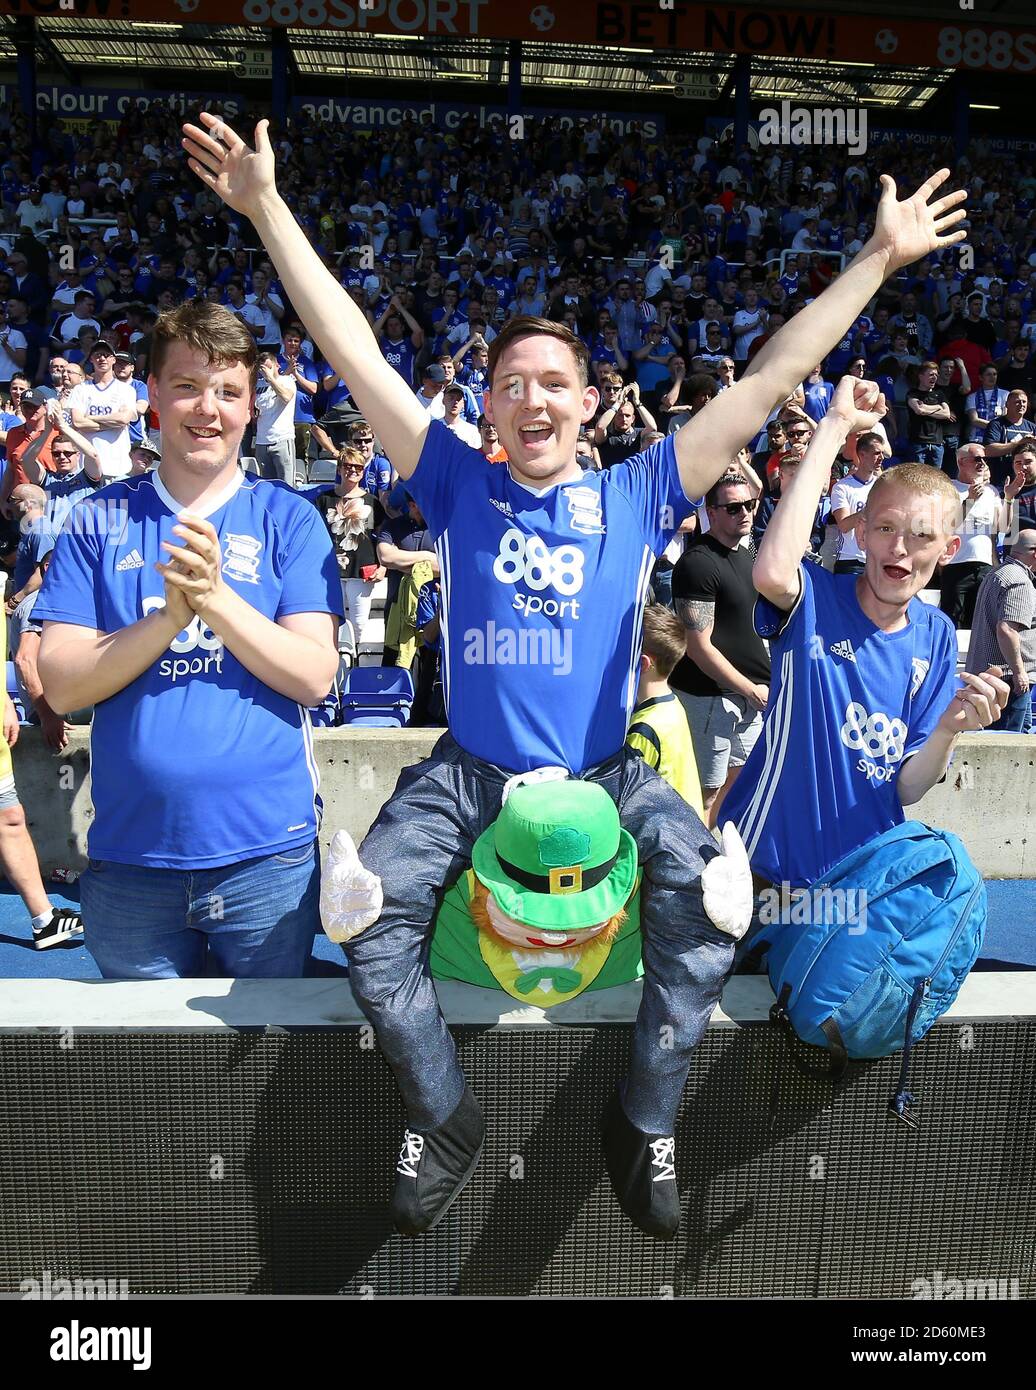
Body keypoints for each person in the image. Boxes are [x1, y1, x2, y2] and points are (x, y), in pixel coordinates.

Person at [184, 110, 968, 1236]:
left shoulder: (638, 493)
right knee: (364, 926)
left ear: (590, 401)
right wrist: (265, 205)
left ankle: (643, 1120)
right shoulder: (453, 480)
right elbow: (352, 345)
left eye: (555, 381)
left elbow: (767, 377)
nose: (535, 398)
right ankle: (443, 1113)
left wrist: (877, 260)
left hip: (609, 773)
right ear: (488, 405)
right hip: (466, 774)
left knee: (706, 911)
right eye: (511, 382)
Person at [34, 300, 343, 979]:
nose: (209, 408)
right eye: (187, 386)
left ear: (251, 405)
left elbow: (315, 675)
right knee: (151, 1077)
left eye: (229, 391)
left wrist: (214, 600)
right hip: (130, 858)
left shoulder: (289, 520)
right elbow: (61, 681)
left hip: (267, 855)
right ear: (152, 394)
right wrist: (168, 618)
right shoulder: (98, 519)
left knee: (260, 1068)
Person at [722, 377, 1009, 891]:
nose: (900, 548)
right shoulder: (815, 596)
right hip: (765, 866)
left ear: (949, 549)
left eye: (921, 536)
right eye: (885, 528)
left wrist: (949, 728)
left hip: (862, 879)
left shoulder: (938, 634)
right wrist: (834, 427)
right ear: (860, 532)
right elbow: (769, 572)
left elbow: (906, 786)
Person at [671, 473, 770, 829]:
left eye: (750, 505)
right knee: (704, 790)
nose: (744, 513)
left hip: (747, 697)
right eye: (733, 507)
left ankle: (712, 852)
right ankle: (691, 866)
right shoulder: (699, 562)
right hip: (711, 698)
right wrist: (750, 689)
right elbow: (698, 647)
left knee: (742, 780)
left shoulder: (748, 551)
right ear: (711, 513)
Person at [625, 604, 705, 820]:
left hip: (668, 839)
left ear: (642, 663)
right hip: (690, 829)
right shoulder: (673, 706)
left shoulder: (643, 730)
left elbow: (627, 797)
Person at [310, 445, 385, 650]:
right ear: (339, 469)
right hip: (329, 571)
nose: (353, 471)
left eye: (358, 467)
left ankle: (354, 664)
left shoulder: (373, 502)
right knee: (331, 620)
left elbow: (383, 538)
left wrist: (383, 566)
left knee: (359, 624)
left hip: (362, 570)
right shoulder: (324, 499)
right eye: (348, 466)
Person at [964, 532, 1036, 733]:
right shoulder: (1020, 581)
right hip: (1009, 680)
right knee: (1009, 744)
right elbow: (1007, 630)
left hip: (995, 678)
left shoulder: (997, 573)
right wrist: (1019, 673)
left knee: (1021, 737)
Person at [941, 443, 1010, 630]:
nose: (982, 463)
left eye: (984, 459)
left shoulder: (992, 492)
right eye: (977, 458)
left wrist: (1009, 498)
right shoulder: (948, 489)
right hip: (956, 564)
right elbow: (945, 526)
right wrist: (969, 501)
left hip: (985, 566)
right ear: (961, 462)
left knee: (981, 625)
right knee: (952, 621)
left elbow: (1004, 527)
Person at [68, 340, 138, 481]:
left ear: (113, 360)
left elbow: (123, 419)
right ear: (91, 359)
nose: (102, 359)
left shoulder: (126, 390)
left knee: (117, 503)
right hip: (87, 467)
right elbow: (78, 422)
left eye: (106, 355)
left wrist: (90, 418)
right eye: (98, 355)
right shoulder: (80, 389)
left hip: (118, 466)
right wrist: (113, 421)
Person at [829, 430, 883, 575]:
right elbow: (844, 525)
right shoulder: (842, 487)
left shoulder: (882, 487)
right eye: (876, 453)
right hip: (850, 560)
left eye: (882, 453)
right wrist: (871, 509)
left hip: (877, 561)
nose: (881, 458)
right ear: (862, 455)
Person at [252, 347, 297, 485]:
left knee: (287, 485)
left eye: (269, 367)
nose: (265, 371)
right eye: (263, 368)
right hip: (262, 441)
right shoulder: (258, 385)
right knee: (266, 485)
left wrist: (270, 378)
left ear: (277, 365)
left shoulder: (286, 380)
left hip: (282, 439)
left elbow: (286, 397)